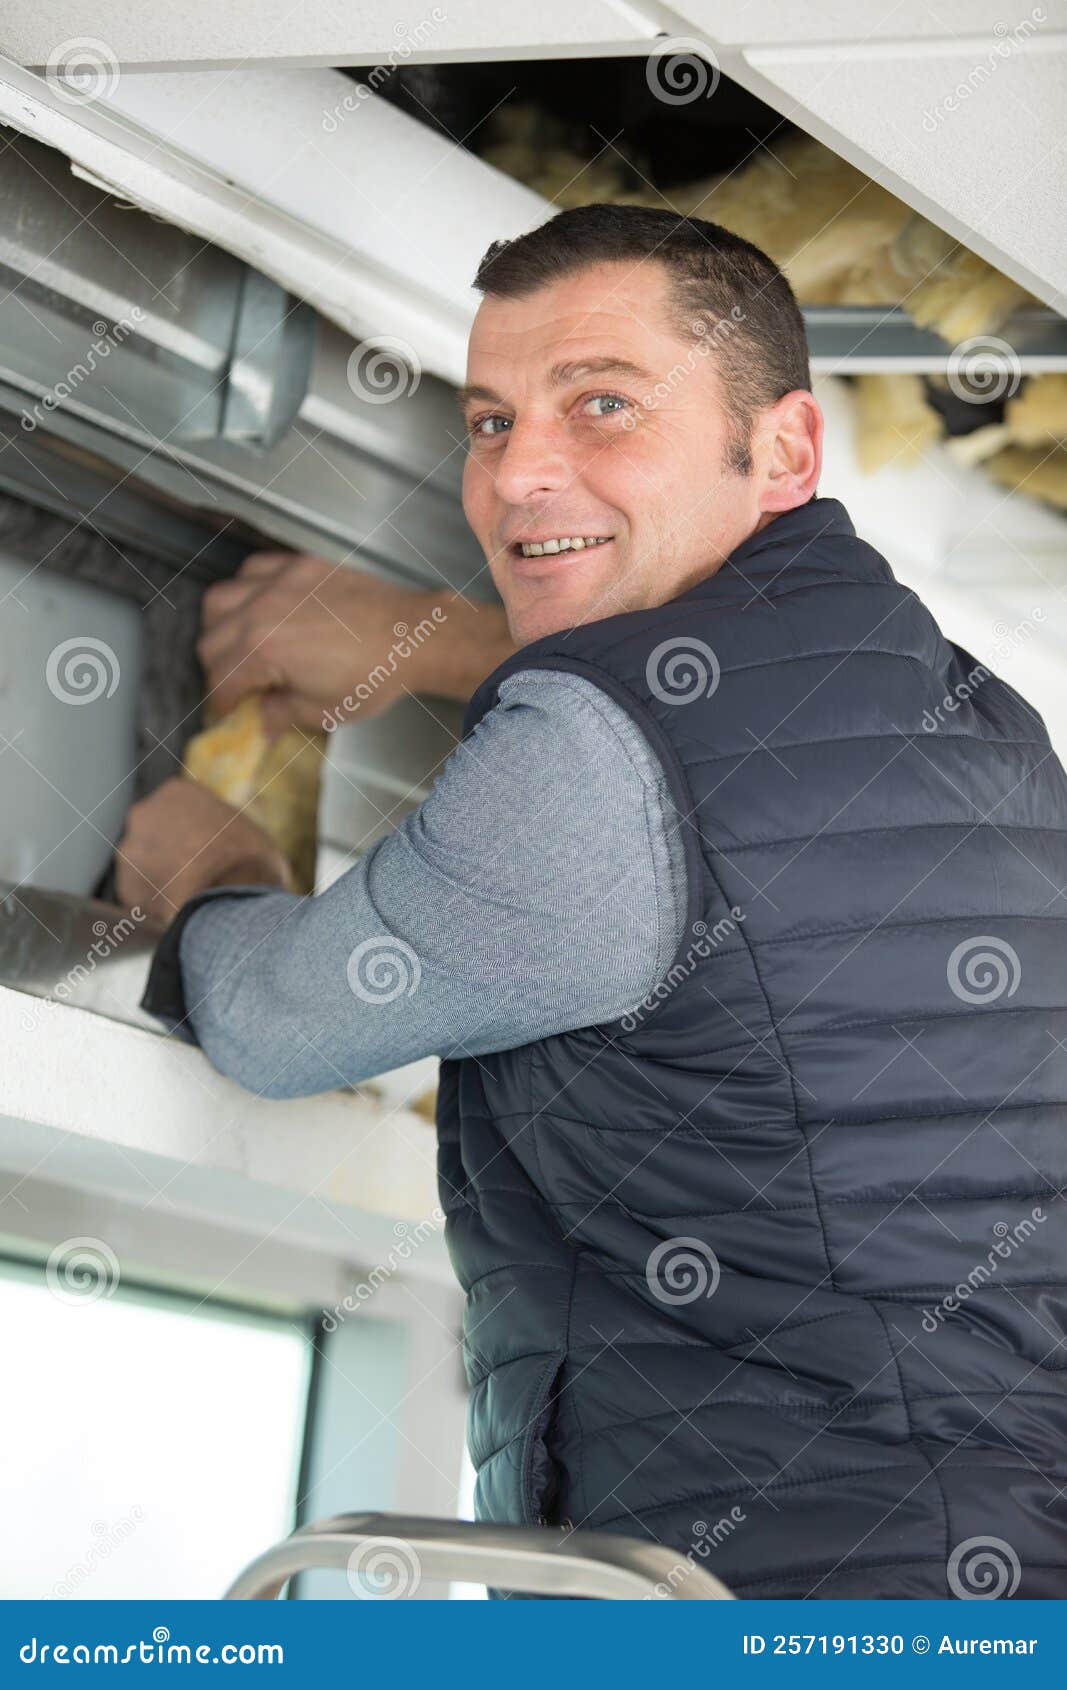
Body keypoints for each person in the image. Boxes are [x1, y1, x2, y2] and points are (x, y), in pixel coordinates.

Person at [120, 204, 1067, 1599]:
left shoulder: (591, 749)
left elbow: (279, 1017)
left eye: (604, 405)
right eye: (491, 421)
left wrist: (209, 867)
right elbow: (737, 738)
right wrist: (426, 643)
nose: (517, 477)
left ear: (787, 447)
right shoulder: (989, 722)